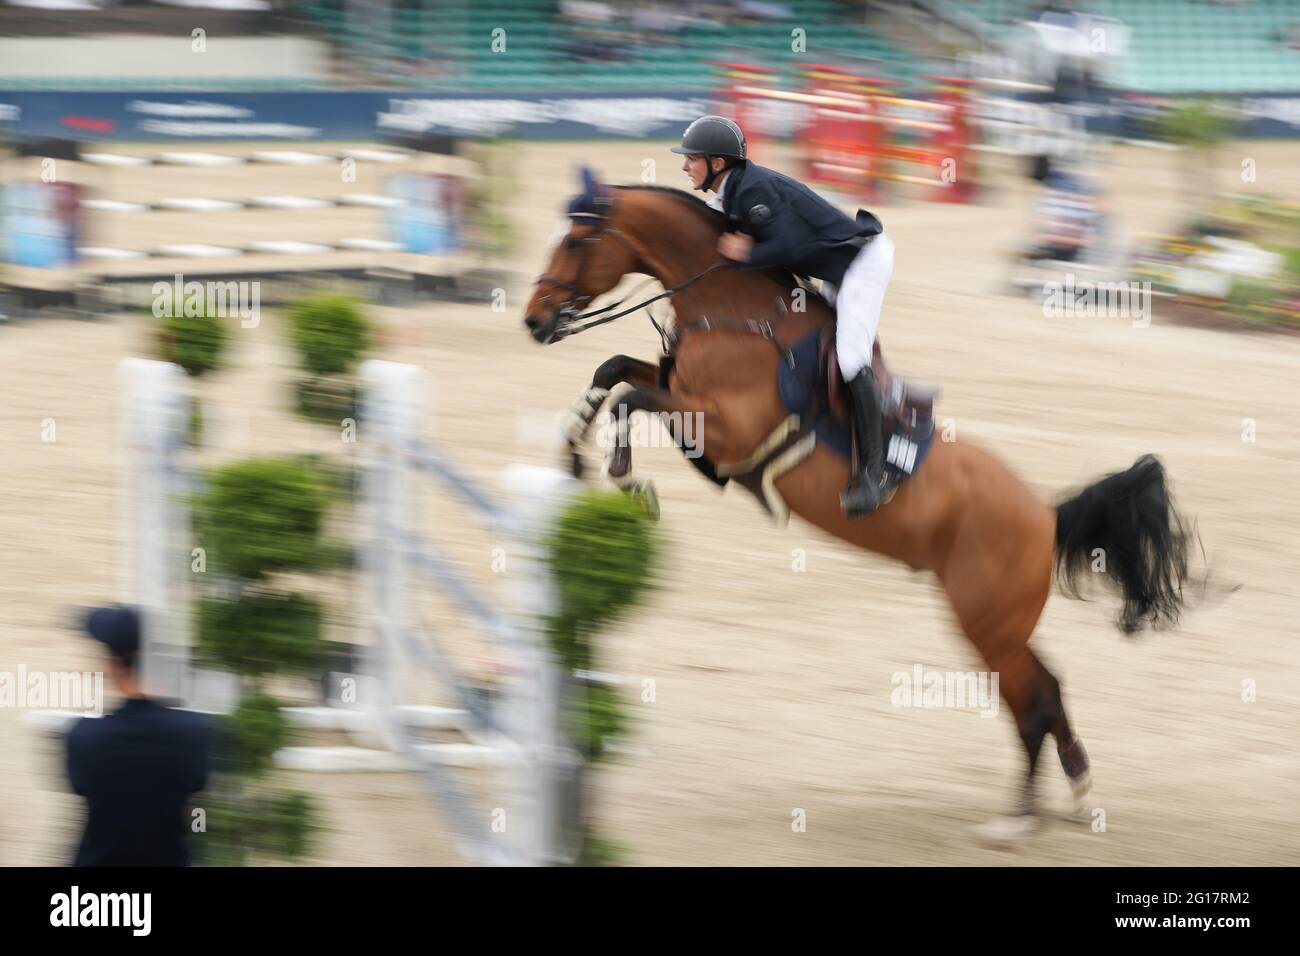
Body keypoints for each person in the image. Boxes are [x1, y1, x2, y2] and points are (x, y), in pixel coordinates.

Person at [672, 114, 895, 516]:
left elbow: (789, 246)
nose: (685, 165)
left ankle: (874, 477)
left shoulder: (751, 190)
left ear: (717, 164)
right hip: (833, 267)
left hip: (861, 265)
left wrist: (749, 254)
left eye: (692, 158)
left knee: (850, 358)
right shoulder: (729, 191)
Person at [65, 605, 210, 866]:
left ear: (115, 664)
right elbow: (198, 782)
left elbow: (79, 785)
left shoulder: (84, 737)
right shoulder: (194, 732)